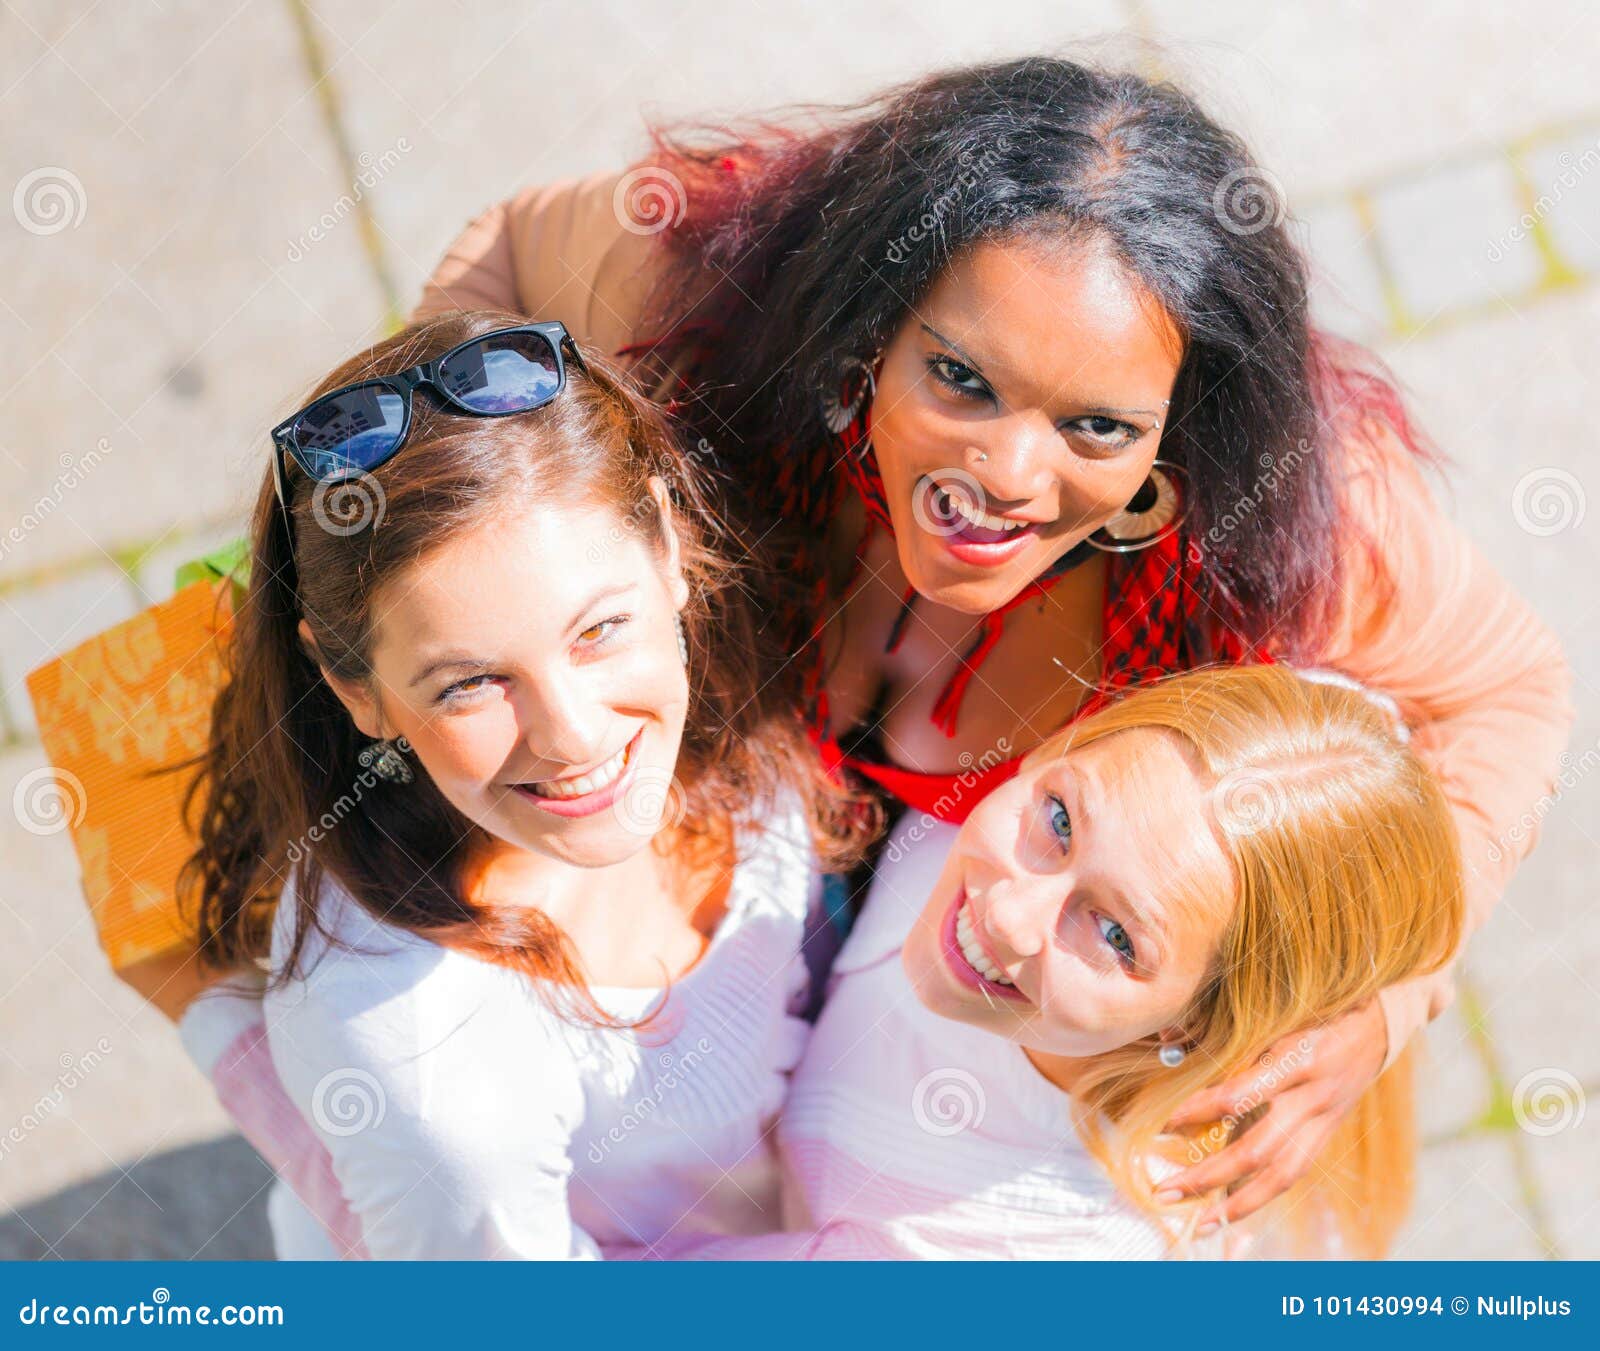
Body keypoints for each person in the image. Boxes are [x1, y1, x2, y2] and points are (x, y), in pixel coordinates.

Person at [410, 55, 1570, 1218]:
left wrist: (1386, 1002)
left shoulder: (1301, 509)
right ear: (869, 320)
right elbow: (505, 253)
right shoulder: (715, 293)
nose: (1005, 477)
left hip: (1005, 984)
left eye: (1098, 426)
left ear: (1176, 437)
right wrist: (451, 551)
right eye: (960, 377)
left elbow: (1510, 698)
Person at [170, 310, 869, 1258]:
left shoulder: (742, 674)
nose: (575, 735)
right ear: (355, 690)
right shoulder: (436, 1072)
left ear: (668, 550)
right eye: (469, 683)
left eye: (598, 631)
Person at [614, 665, 1461, 1260]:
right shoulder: (1288, 745)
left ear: (1196, 1023)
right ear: (1069, 741)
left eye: (1118, 936)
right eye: (1060, 819)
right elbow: (1379, 742)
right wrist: (1407, 991)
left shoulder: (979, 1252)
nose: (1009, 914)